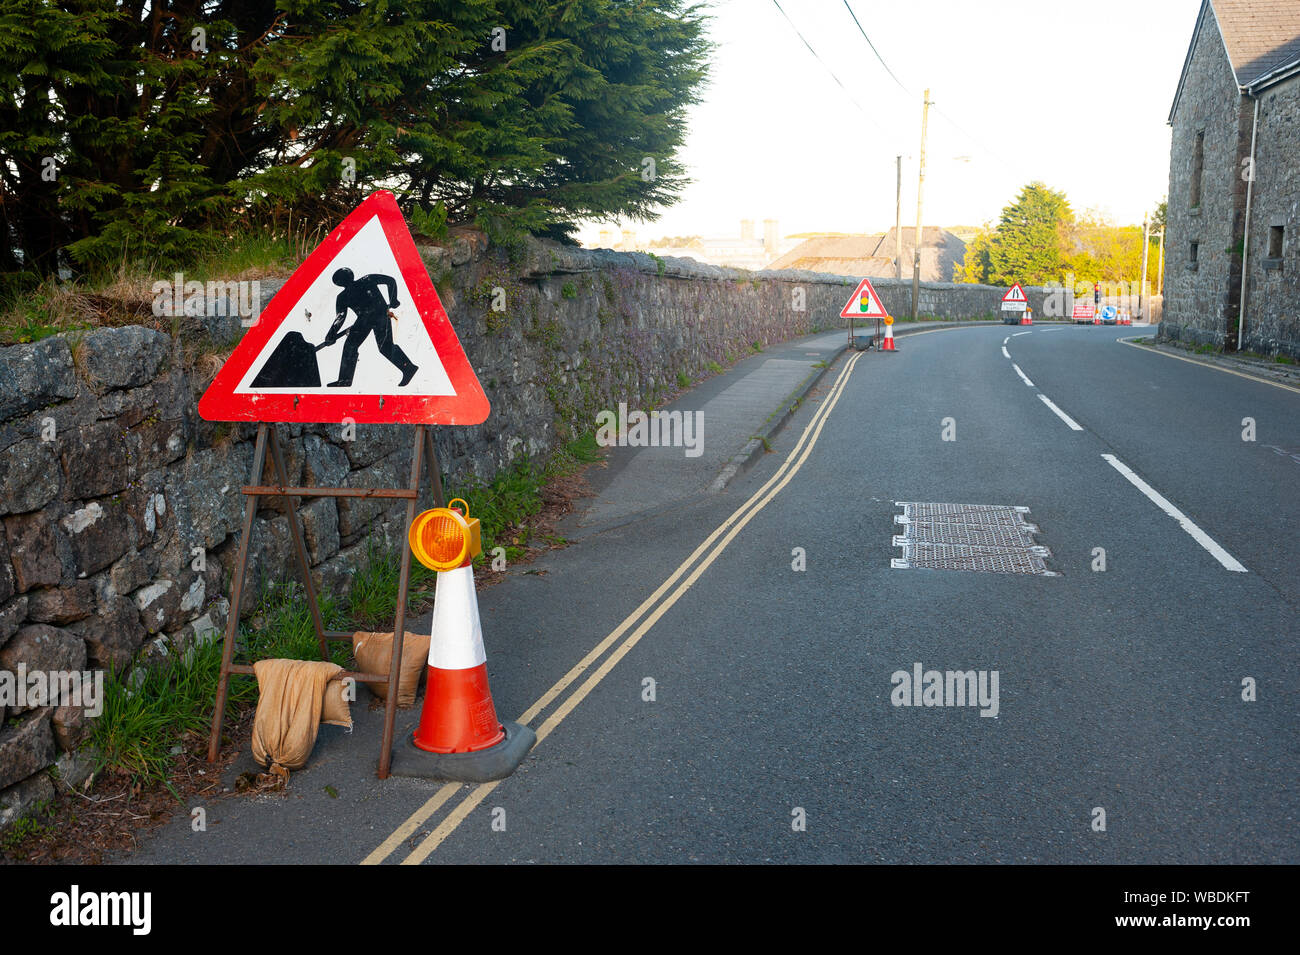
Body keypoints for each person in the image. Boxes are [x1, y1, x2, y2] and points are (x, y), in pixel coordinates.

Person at [324, 268, 419, 387]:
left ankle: (345, 380)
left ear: (338, 283)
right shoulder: (365, 280)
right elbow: (391, 281)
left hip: (373, 317)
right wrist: (393, 299)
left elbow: (340, 317)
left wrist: (331, 334)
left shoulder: (350, 291)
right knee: (380, 346)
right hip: (372, 317)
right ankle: (344, 380)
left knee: (355, 346)